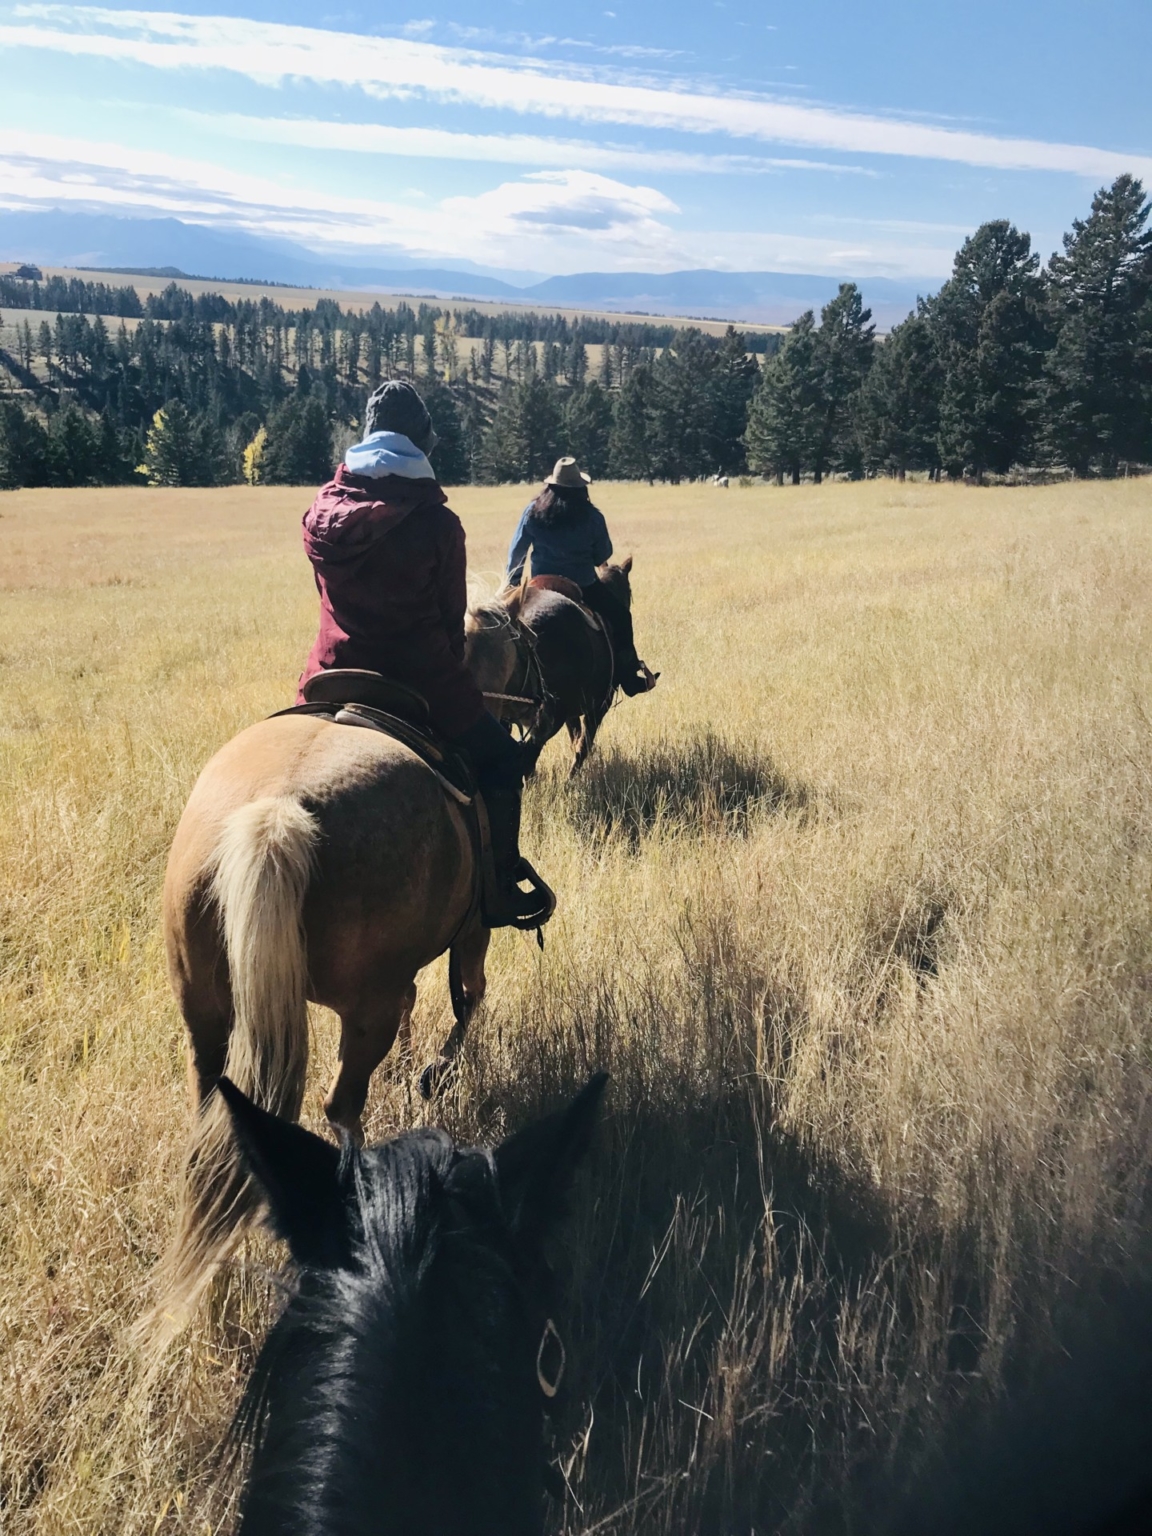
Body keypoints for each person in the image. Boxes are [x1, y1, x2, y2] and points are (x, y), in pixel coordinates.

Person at [298, 380, 553, 930]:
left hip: (328, 674)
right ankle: (501, 889)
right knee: (504, 764)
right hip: (418, 682)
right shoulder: (437, 524)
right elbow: (445, 626)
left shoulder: (319, 511)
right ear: (421, 444)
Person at [505, 458, 652, 696]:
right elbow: (602, 556)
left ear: (550, 486)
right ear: (581, 488)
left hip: (539, 585)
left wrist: (512, 585)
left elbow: (516, 553)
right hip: (583, 586)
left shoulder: (532, 512)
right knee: (621, 616)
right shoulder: (592, 517)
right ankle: (629, 677)